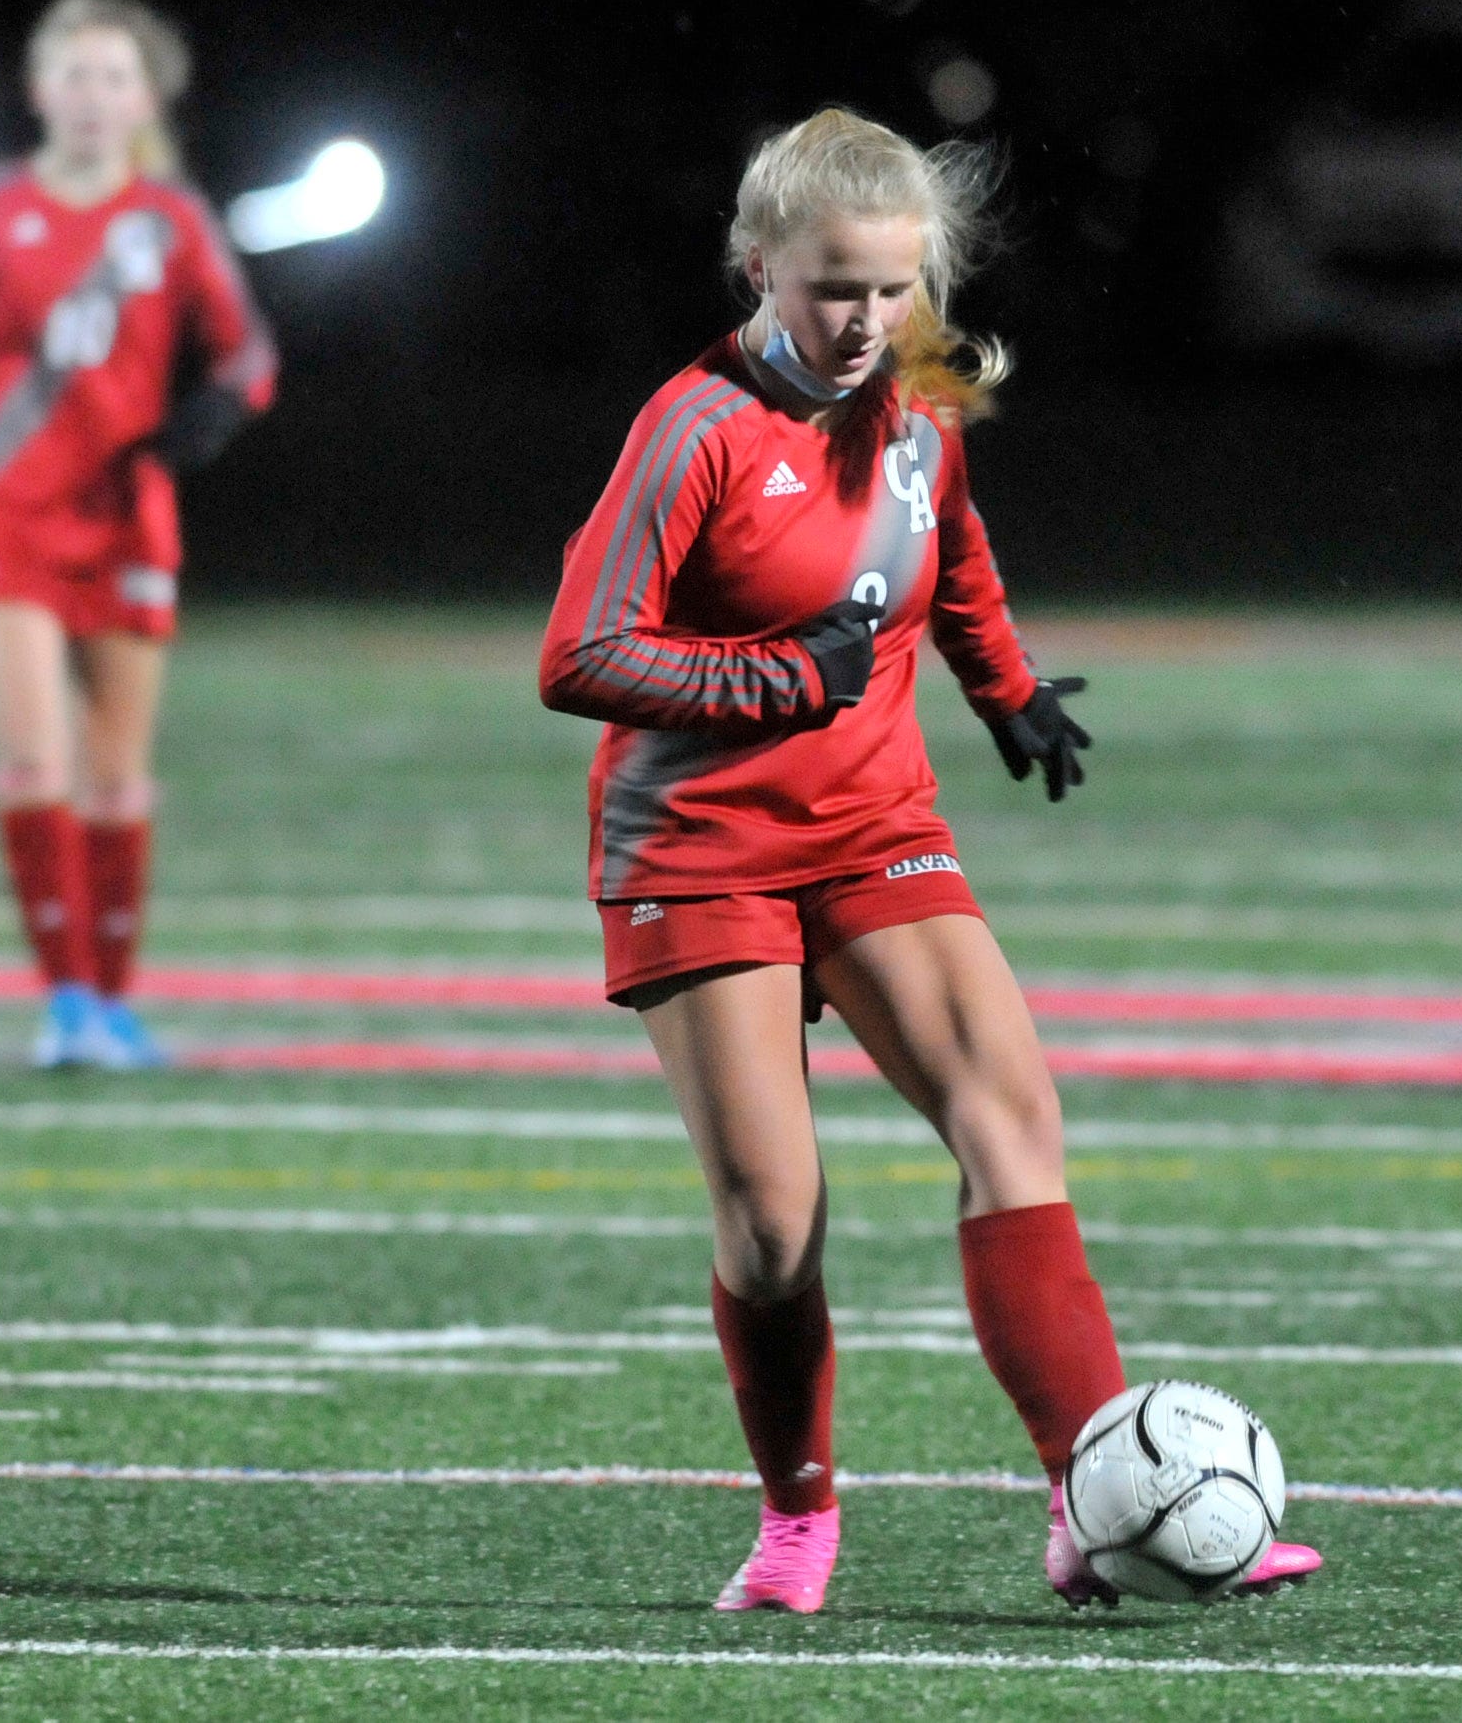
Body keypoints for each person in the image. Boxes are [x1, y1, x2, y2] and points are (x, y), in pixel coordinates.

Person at [538, 108, 1320, 1614]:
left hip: (874, 823)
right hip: (699, 847)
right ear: (760, 265)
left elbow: (948, 553)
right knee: (774, 1226)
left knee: (1010, 1113)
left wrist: (1007, 688)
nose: (867, 322)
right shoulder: (693, 430)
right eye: (836, 287)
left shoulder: (914, 408)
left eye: (895, 291)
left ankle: (1096, 1506)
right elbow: (579, 655)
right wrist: (776, 679)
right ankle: (796, 1522)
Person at [0, 0, 276, 1069]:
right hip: (4, 512)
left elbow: (249, 353)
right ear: (40, 88)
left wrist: (214, 412)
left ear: (146, 94)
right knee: (30, 762)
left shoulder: (172, 219)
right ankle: (67, 1006)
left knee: (116, 777)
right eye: (72, 73)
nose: (92, 96)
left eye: (113, 76)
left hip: (127, 518)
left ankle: (110, 1004)